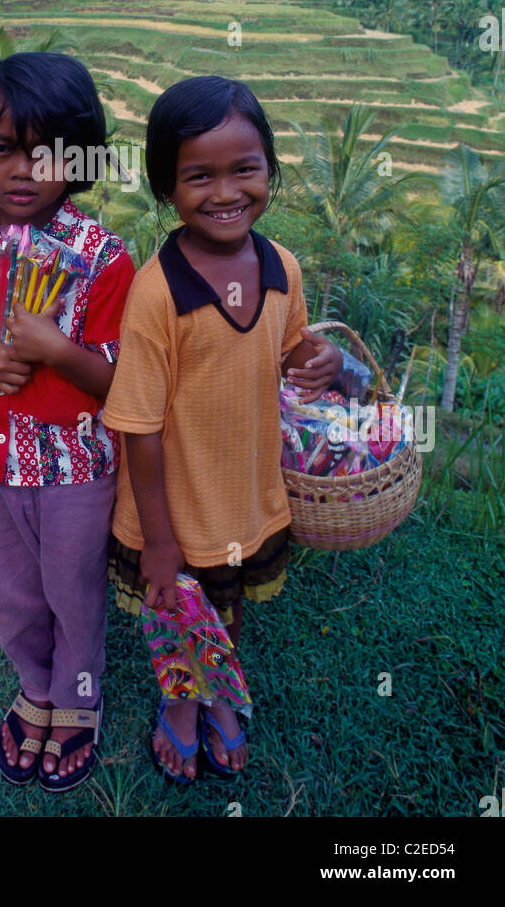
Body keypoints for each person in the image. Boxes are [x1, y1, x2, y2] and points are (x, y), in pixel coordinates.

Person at [100, 76, 343, 783]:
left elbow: (292, 346)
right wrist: (160, 540)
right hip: (172, 509)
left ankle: (219, 692)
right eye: (197, 176)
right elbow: (138, 428)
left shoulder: (282, 270)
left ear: (269, 169)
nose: (225, 192)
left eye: (244, 169)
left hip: (246, 497)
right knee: (175, 617)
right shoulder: (155, 295)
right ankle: (182, 704)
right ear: (165, 189)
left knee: (226, 612)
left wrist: (321, 357)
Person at [0, 52, 134, 793]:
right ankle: (34, 684)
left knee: (72, 584)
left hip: (77, 465)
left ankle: (76, 695)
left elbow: (116, 379)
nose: (24, 170)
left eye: (48, 152)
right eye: (2, 148)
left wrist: (55, 350)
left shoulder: (104, 259)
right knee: (10, 587)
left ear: (83, 156)